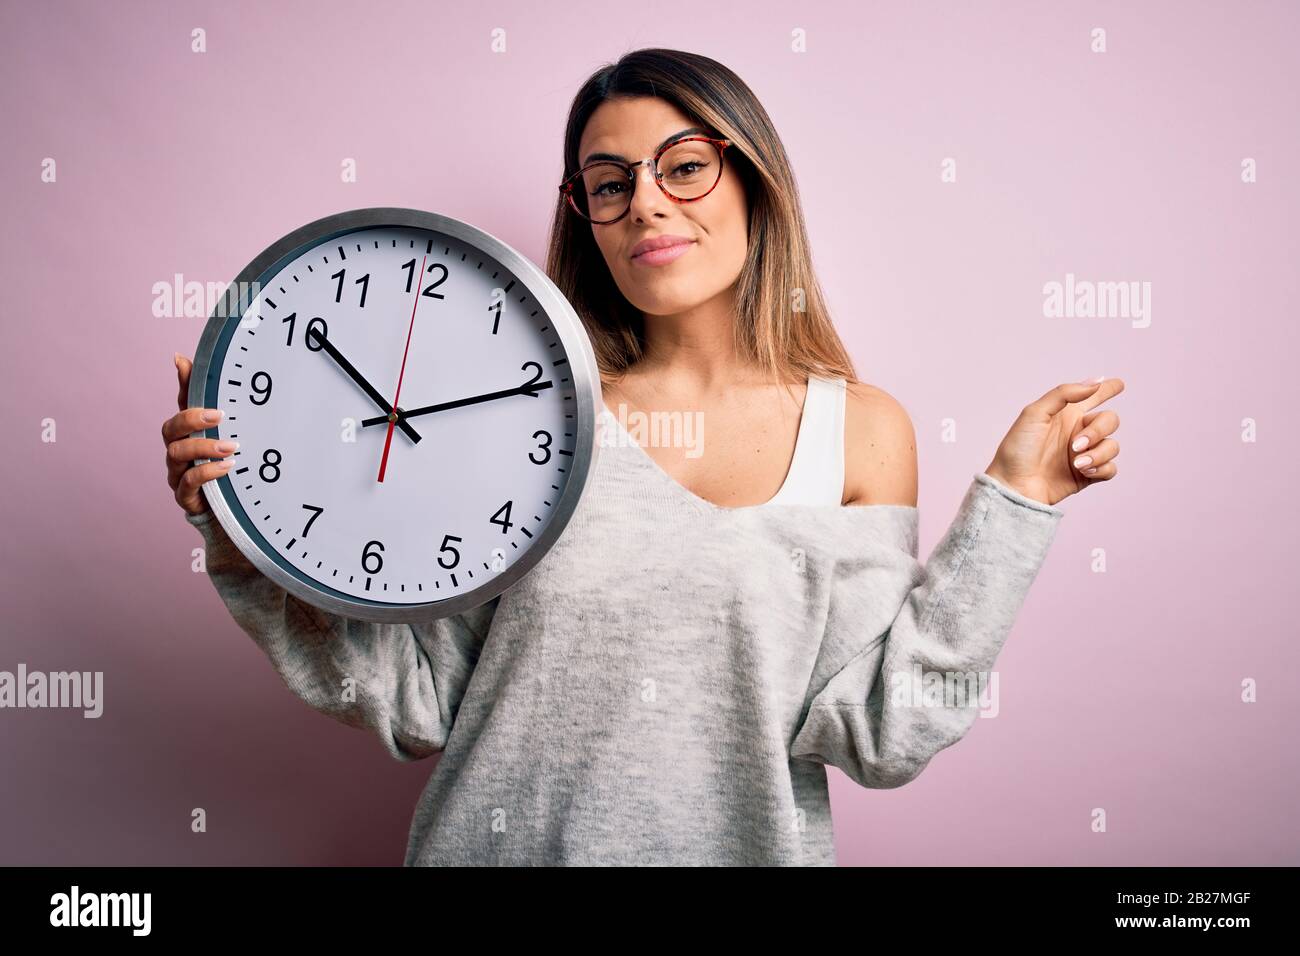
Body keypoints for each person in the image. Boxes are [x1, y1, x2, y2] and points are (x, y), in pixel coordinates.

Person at [161, 48, 1124, 865]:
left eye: (685, 166)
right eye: (611, 183)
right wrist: (249, 542)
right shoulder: (516, 420)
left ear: (754, 180)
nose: (647, 205)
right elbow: (419, 703)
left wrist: (1016, 502)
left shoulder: (861, 431)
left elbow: (884, 730)